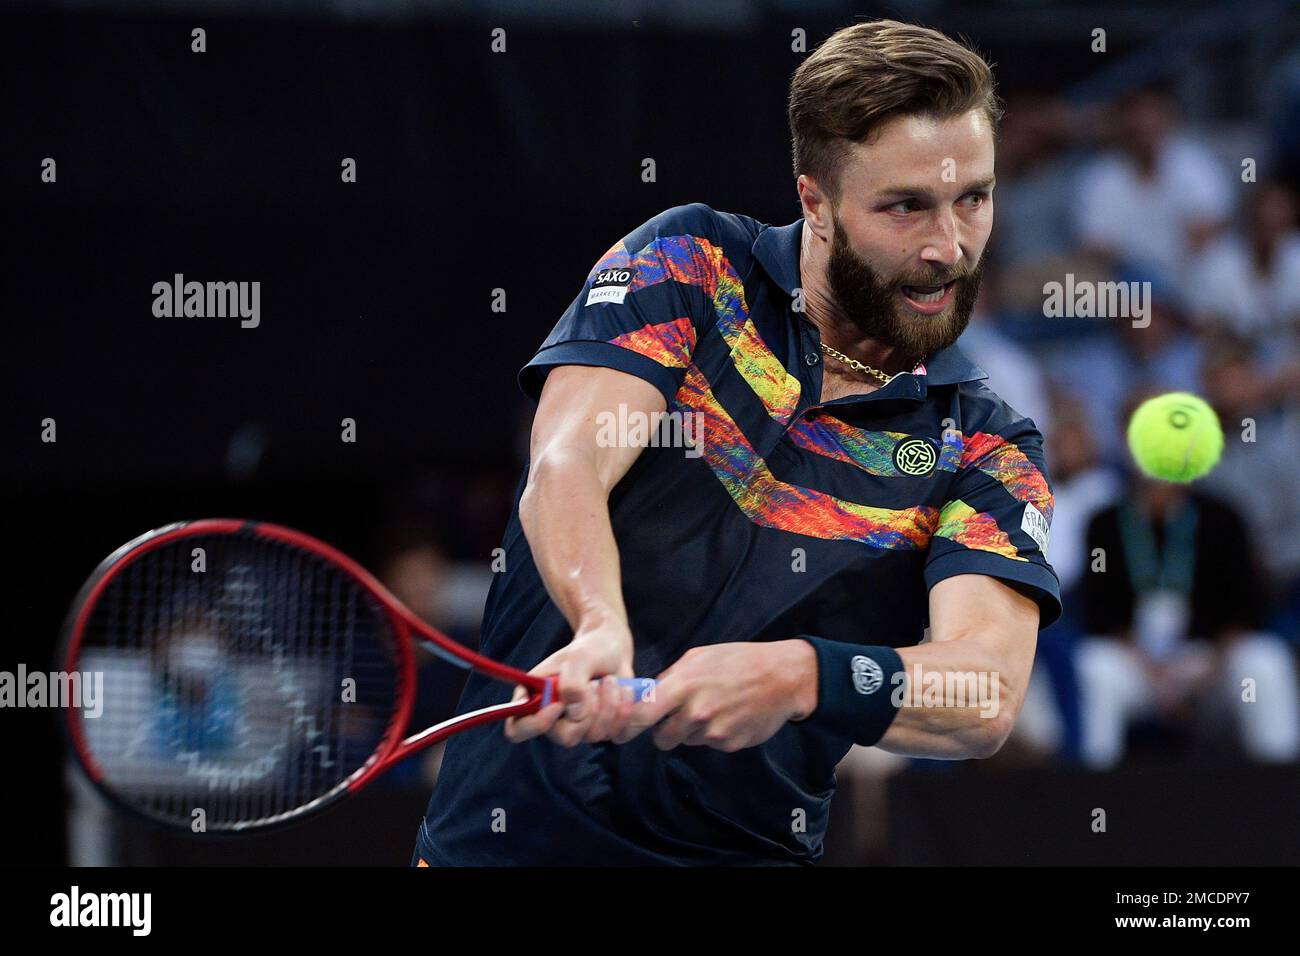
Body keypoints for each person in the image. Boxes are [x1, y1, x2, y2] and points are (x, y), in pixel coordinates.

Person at [413, 20, 1061, 866]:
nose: (949, 248)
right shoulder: (690, 263)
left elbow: (985, 693)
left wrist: (802, 677)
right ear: (816, 203)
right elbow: (567, 460)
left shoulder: (984, 446)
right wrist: (598, 622)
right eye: (905, 206)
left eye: (973, 197)